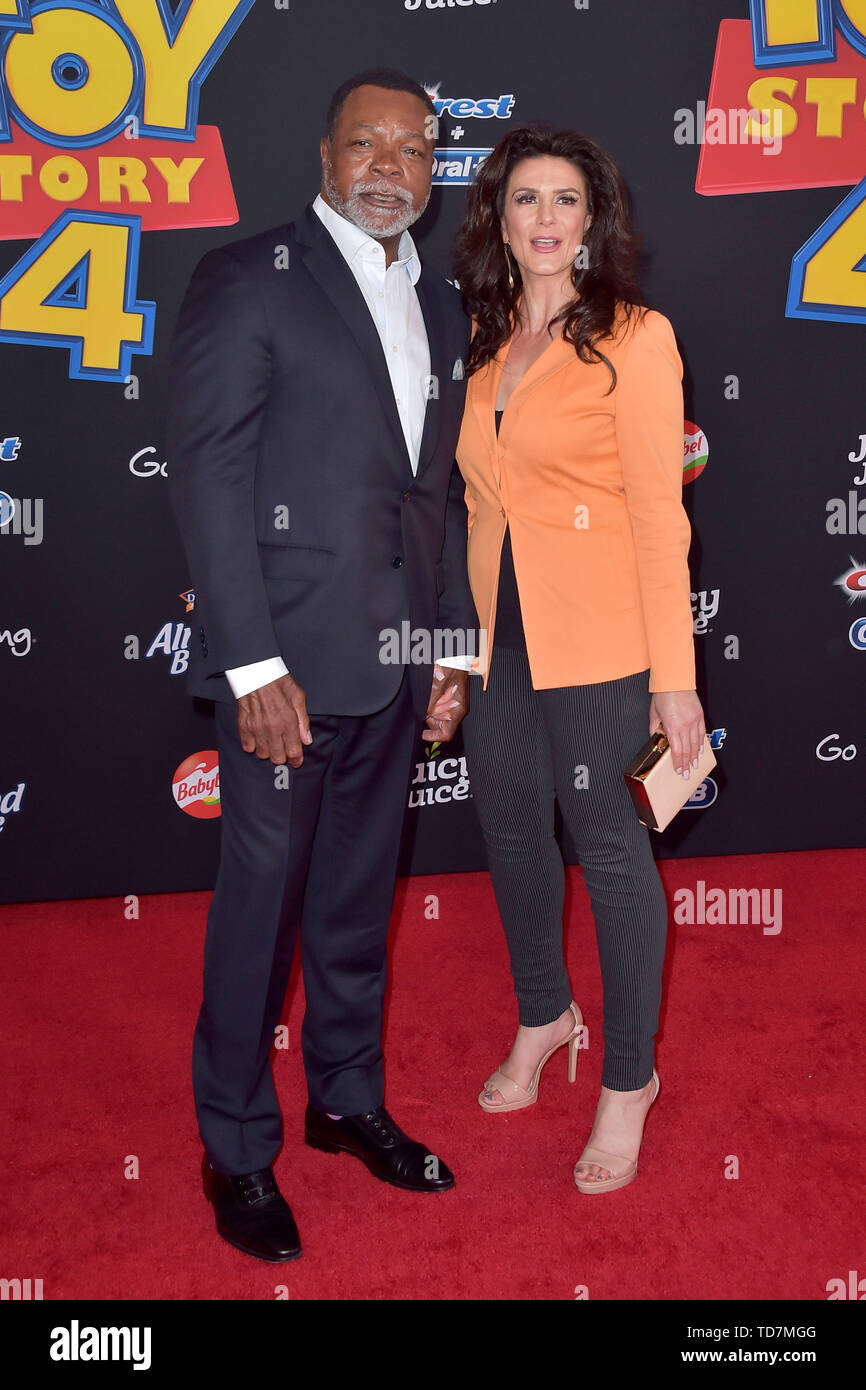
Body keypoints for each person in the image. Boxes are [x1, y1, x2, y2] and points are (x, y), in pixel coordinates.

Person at [165, 68, 476, 1261]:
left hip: (394, 665)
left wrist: (447, 652)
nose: (389, 166)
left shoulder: (439, 304)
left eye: (411, 148)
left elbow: (431, 504)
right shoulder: (249, 278)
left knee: (354, 907)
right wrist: (250, 668)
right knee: (261, 911)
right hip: (285, 675)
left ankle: (344, 1100)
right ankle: (236, 1146)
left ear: (431, 165)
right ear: (324, 152)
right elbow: (209, 480)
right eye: (366, 144)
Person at [453, 125, 706, 1193]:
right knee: (510, 835)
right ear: (500, 222)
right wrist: (455, 654)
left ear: (591, 219)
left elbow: (659, 515)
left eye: (564, 200)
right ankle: (543, 1013)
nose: (545, 218)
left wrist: (674, 677)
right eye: (524, 201)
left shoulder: (635, 337)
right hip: (500, 638)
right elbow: (470, 506)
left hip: (601, 641)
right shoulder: (484, 333)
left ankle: (626, 1078)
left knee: (608, 854)